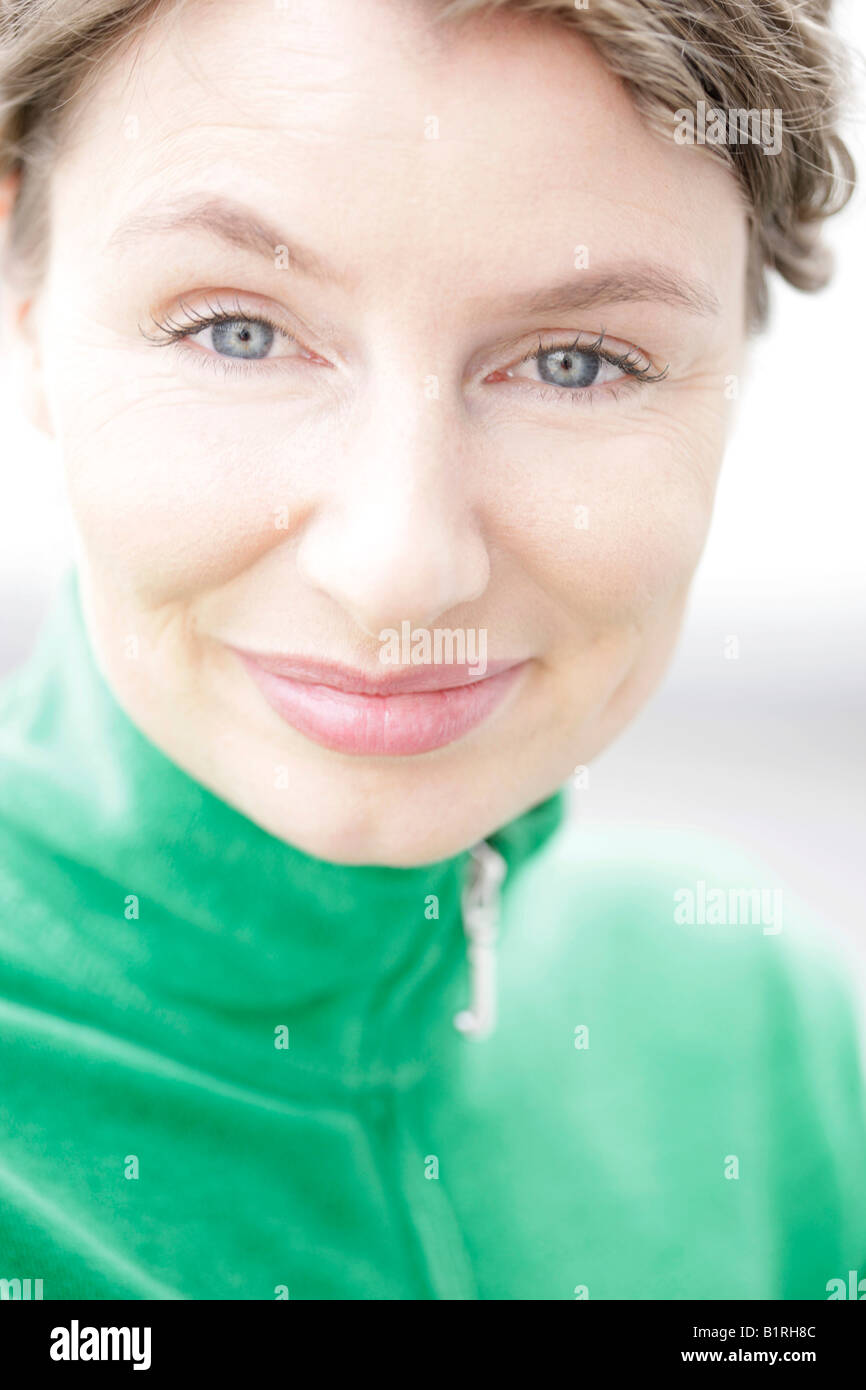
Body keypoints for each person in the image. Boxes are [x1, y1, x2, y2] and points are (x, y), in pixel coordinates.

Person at [0, 0, 862, 1300]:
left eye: (576, 362)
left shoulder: (763, 1038)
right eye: (236, 331)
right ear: (22, 293)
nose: (399, 565)